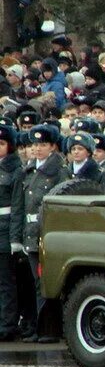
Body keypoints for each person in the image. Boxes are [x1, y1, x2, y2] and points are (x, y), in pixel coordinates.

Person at [22, 124, 69, 343]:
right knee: (35, 282)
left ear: (52, 147)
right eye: (34, 144)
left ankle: (50, 328)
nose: (37, 148)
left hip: (48, 232)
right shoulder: (30, 169)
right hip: (30, 233)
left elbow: (62, 204)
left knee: (48, 282)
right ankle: (39, 327)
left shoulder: (59, 170)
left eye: (42, 144)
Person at [0, 125, 24, 341]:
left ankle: (8, 324)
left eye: (1, 144)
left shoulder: (15, 170)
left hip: (5, 230)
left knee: (6, 281)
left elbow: (17, 207)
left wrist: (15, 238)